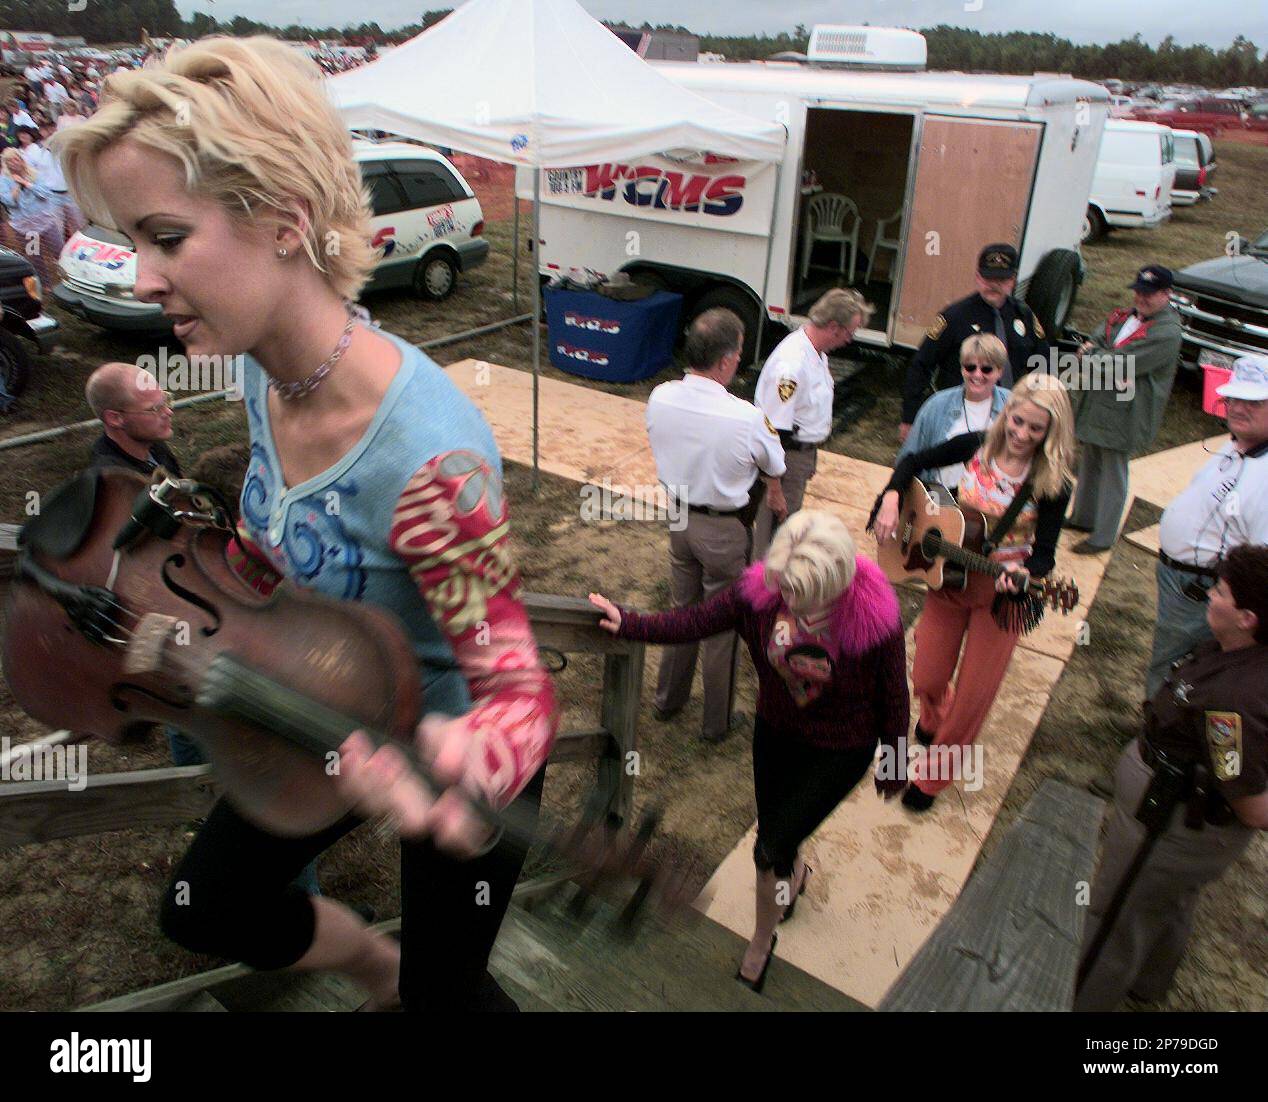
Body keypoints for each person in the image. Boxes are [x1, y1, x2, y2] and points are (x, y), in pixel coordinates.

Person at [53, 35, 558, 1013]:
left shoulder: (426, 457)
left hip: (445, 755)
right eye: (131, 241)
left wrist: (468, 759)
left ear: (284, 224)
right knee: (204, 908)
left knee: (447, 996)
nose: (143, 276)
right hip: (322, 714)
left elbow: (519, 690)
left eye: (165, 236)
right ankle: (373, 964)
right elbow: (276, 543)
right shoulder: (263, 369)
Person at [589, 510, 909, 991]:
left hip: (841, 748)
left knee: (767, 849)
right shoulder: (760, 594)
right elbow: (694, 620)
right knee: (781, 831)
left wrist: (896, 758)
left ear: (838, 582)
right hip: (776, 731)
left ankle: (762, 938)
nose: (793, 604)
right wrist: (629, 622)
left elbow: (894, 694)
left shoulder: (875, 617)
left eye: (807, 596)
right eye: (787, 590)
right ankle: (794, 873)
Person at [1074, 544, 1268, 1011]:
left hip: (1169, 829)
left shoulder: (1231, 702)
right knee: (1165, 905)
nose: (1209, 593)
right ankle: (1147, 986)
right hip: (1173, 826)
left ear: (1247, 618)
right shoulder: (1238, 657)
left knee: (1113, 920)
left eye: (1220, 590)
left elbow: (1252, 805)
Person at [871, 373, 1076, 811]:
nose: (1021, 435)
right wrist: (892, 495)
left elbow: (1044, 556)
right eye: (1017, 421)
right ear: (1008, 414)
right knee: (926, 674)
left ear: (1051, 432)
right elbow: (912, 461)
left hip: (1003, 595)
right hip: (949, 577)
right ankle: (932, 717)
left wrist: (1025, 572)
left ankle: (932, 780)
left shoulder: (1054, 481)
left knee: (973, 697)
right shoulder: (977, 444)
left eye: (1035, 429)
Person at [645, 306, 788, 743]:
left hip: (679, 518)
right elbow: (775, 462)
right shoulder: (744, 416)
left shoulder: (660, 396)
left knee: (681, 610)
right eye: (740, 352)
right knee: (721, 625)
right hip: (724, 529)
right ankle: (716, 722)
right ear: (726, 359)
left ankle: (668, 700)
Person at [1146, 354, 1268, 699]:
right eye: (1233, 398)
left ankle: (1160, 738)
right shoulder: (1240, 445)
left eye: (1254, 401)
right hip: (1181, 581)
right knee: (1171, 659)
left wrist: (1221, 599)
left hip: (1202, 591)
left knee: (1178, 668)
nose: (1238, 408)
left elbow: (1261, 567)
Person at [1068, 264, 1183, 554]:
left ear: (1167, 294)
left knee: (1113, 472)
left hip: (1127, 411)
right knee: (1091, 461)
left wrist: (1093, 354)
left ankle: (1103, 535)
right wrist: (1098, 351)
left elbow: (1121, 362)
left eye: (1150, 294)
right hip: (1101, 403)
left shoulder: (1167, 332)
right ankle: (1083, 517)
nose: (1141, 298)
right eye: (1139, 292)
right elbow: (1096, 338)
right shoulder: (1124, 317)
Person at [752, 288, 873, 556]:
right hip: (785, 460)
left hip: (799, 455)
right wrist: (774, 489)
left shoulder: (815, 352)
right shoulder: (792, 365)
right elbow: (774, 431)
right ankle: (761, 589)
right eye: (849, 333)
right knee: (774, 535)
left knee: (785, 529)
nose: (849, 340)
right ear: (833, 327)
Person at [899, 244, 1049, 442]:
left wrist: (1042, 406)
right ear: (978, 277)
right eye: (987, 278)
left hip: (1009, 412)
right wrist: (910, 417)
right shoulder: (955, 316)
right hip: (961, 412)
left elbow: (1044, 363)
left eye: (1001, 280)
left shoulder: (1024, 316)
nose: (993, 285)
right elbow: (921, 364)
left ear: (1012, 280)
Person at [897, 333, 1011, 488]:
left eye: (986, 369)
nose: (977, 374)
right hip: (940, 498)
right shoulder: (936, 405)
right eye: (970, 367)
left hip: (991, 504)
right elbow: (907, 458)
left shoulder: (1013, 407)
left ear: (1000, 371)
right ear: (962, 368)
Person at [84, 362, 182, 476]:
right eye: (154, 409)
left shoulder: (150, 443)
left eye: (165, 401)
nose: (168, 412)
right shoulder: (117, 482)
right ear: (115, 418)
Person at [0, 147, 63, 288]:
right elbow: (9, 202)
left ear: (21, 160)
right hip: (25, 226)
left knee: (59, 250)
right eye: (10, 161)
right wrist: (17, 185)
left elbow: (44, 194)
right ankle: (45, 285)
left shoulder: (35, 174)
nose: (14, 163)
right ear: (6, 164)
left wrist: (26, 183)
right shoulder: (4, 181)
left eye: (16, 159)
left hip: (44, 221)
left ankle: (69, 277)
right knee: (35, 256)